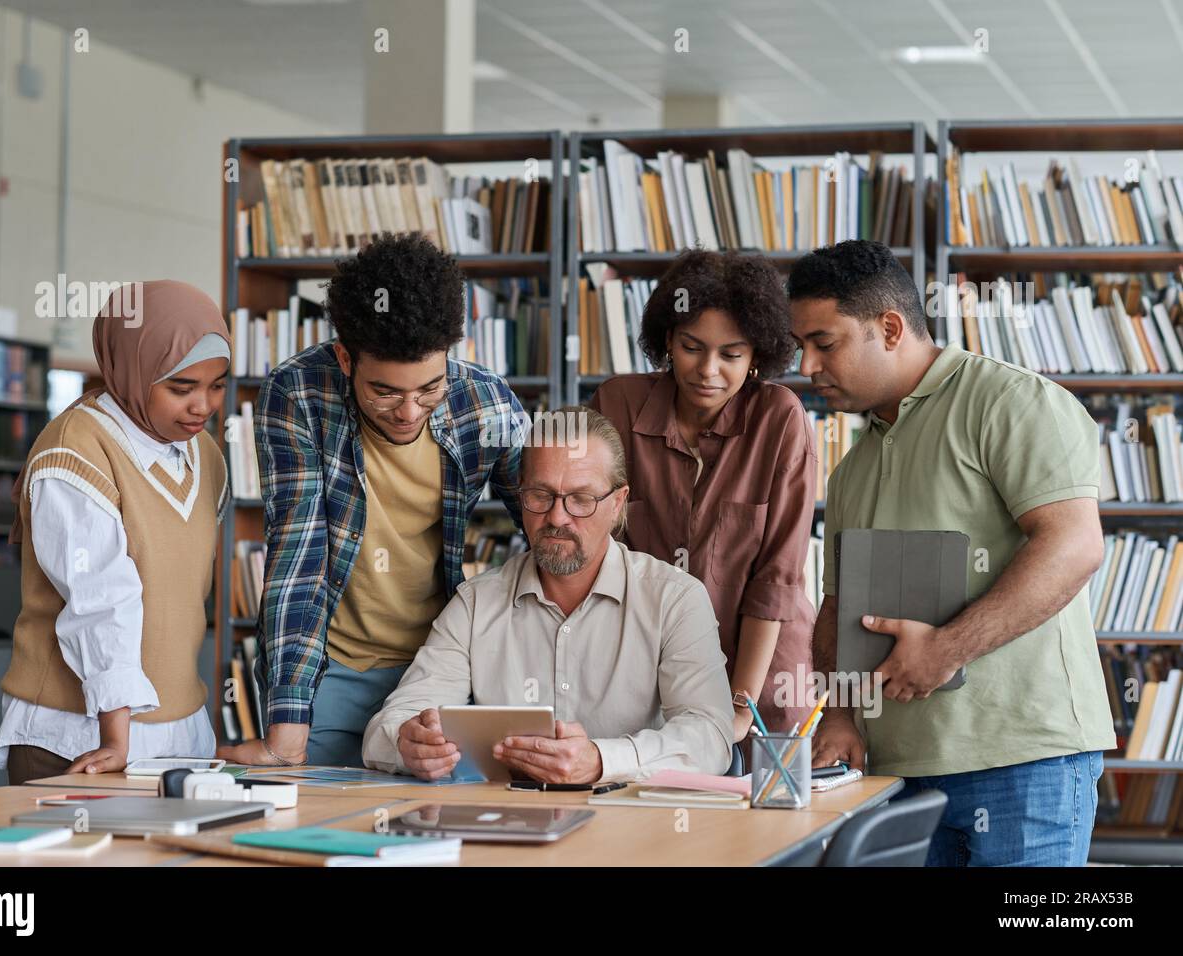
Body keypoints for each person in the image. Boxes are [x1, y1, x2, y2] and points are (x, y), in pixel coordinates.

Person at [788, 239, 1115, 866]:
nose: (807, 365)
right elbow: (838, 602)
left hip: (1023, 760)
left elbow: (1074, 546)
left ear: (888, 328)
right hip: (896, 772)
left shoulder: (1012, 402)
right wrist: (842, 713)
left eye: (823, 343)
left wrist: (945, 649)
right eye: (802, 346)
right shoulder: (852, 466)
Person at [217, 234, 525, 769]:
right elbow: (299, 555)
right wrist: (287, 729)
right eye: (385, 391)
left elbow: (551, 517)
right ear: (345, 358)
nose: (409, 412)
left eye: (429, 388)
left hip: (443, 665)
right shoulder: (297, 393)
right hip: (334, 668)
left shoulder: (486, 401)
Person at [363, 407, 734, 783]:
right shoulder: (477, 603)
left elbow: (712, 737)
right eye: (540, 495)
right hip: (508, 829)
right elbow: (386, 728)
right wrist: (408, 744)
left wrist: (601, 760)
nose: (557, 518)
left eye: (581, 499)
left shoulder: (675, 600)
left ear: (618, 502)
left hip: (631, 827)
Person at [0, 280, 231, 784]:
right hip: (81, 739)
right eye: (181, 387)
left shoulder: (204, 454)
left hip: (178, 735)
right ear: (130, 369)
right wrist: (116, 736)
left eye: (216, 384)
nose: (203, 406)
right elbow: (99, 600)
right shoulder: (75, 452)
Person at [589, 250, 816, 742]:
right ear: (667, 338)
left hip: (762, 678)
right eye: (692, 347)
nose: (708, 370)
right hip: (648, 671)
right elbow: (593, 545)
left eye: (732, 355)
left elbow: (777, 578)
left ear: (757, 356)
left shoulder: (780, 419)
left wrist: (738, 707)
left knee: (765, 815)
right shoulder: (618, 405)